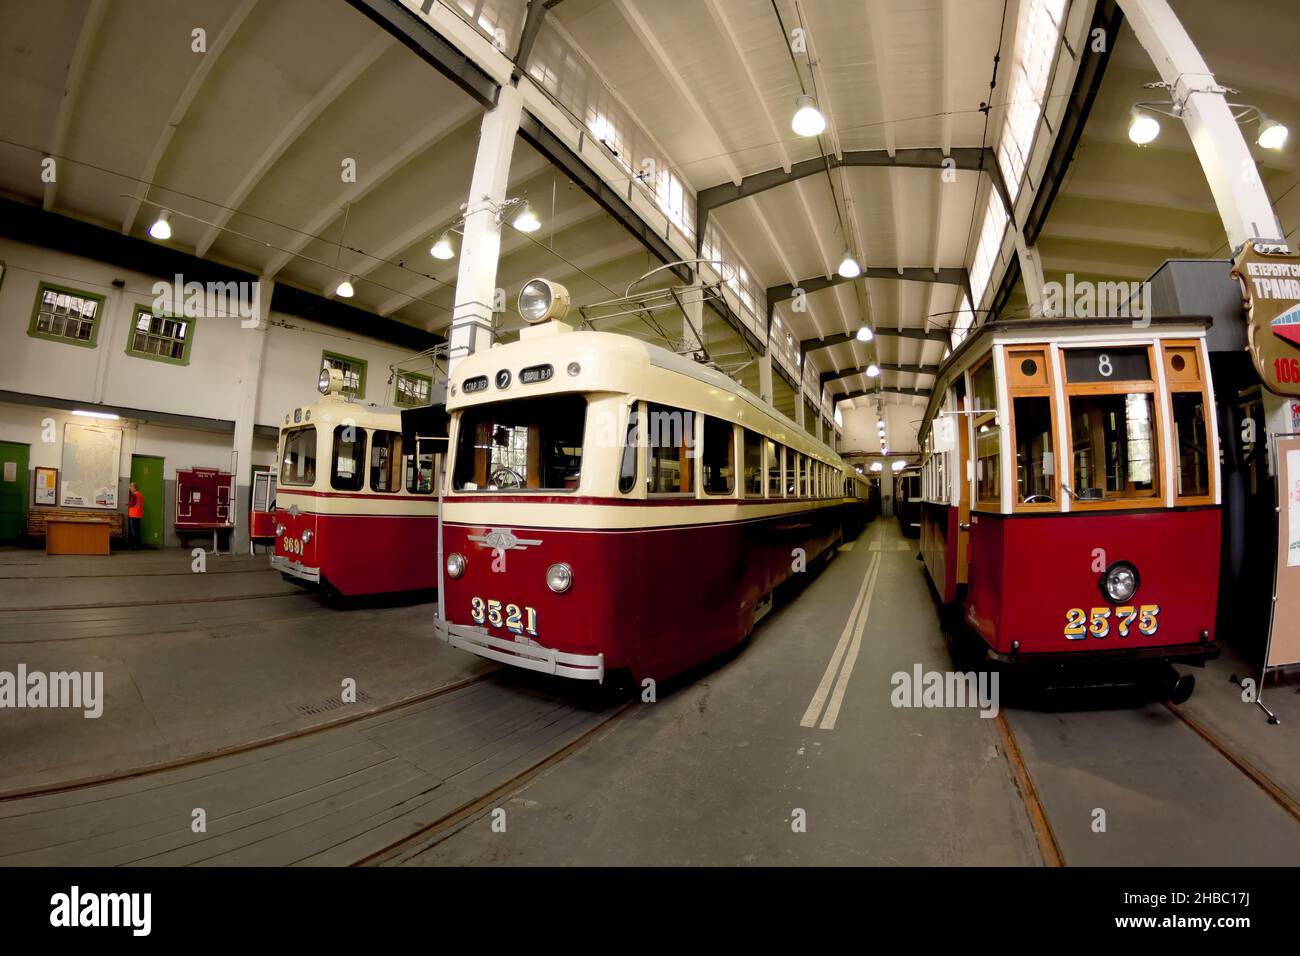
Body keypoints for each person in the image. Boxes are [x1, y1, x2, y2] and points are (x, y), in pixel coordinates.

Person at [127, 482, 143, 549]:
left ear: (134, 487)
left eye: (131, 487)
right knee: (136, 531)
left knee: (133, 531)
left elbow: (132, 504)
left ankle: (134, 546)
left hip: (133, 514)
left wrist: (128, 504)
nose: (130, 489)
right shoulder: (140, 494)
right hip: (138, 514)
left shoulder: (134, 495)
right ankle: (137, 545)